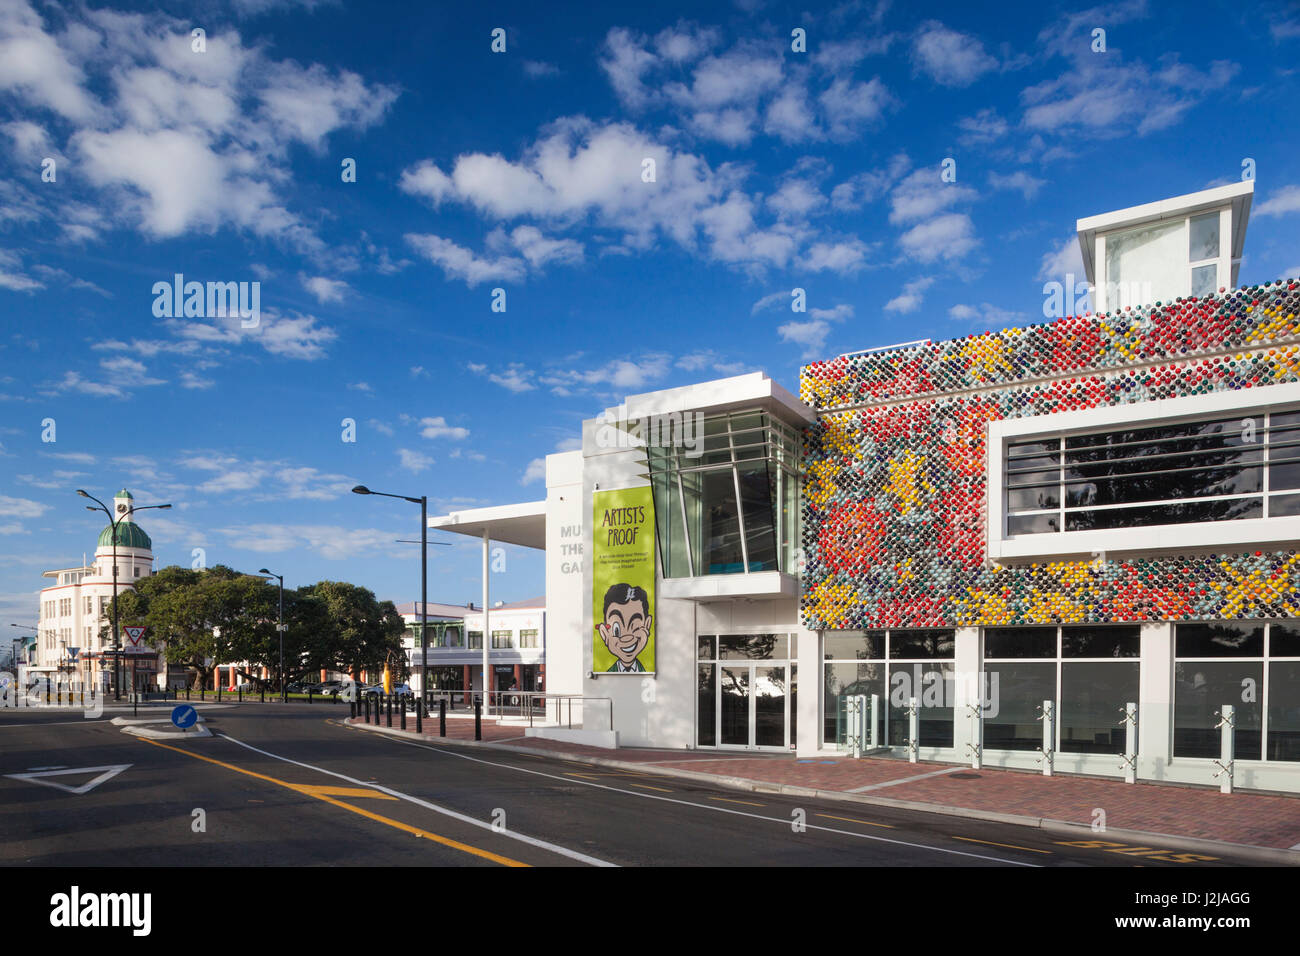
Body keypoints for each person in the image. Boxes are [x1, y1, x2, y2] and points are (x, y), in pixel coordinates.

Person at [597, 583, 652, 672]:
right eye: (616, 630)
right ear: (604, 633)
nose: (626, 638)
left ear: (647, 625)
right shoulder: (608, 672)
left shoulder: (646, 670)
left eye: (636, 627)